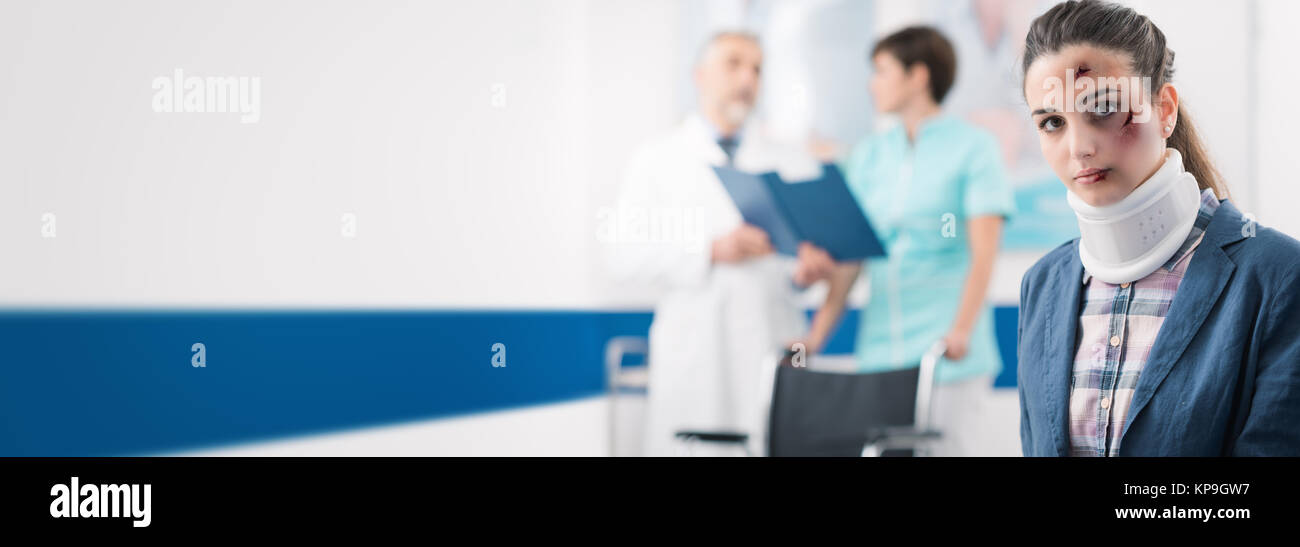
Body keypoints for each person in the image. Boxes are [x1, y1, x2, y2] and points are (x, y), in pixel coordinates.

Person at [1017, 0, 1300, 456]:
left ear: (1164, 110)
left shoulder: (1279, 277)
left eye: (1104, 108)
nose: (1079, 147)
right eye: (1052, 122)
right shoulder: (1043, 285)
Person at [608, 31, 835, 456]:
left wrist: (806, 275)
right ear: (699, 75)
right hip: (695, 352)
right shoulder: (657, 160)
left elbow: (806, 270)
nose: (747, 78)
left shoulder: (791, 160)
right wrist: (709, 250)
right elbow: (621, 257)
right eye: (733, 64)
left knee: (770, 440)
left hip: (770, 342)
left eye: (756, 69)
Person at [801, 27, 1015, 456]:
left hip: (948, 354)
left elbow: (983, 251)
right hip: (881, 353)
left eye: (881, 71)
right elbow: (851, 259)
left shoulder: (973, 149)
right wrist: (814, 339)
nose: (871, 83)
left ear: (918, 76)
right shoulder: (869, 155)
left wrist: (961, 330)